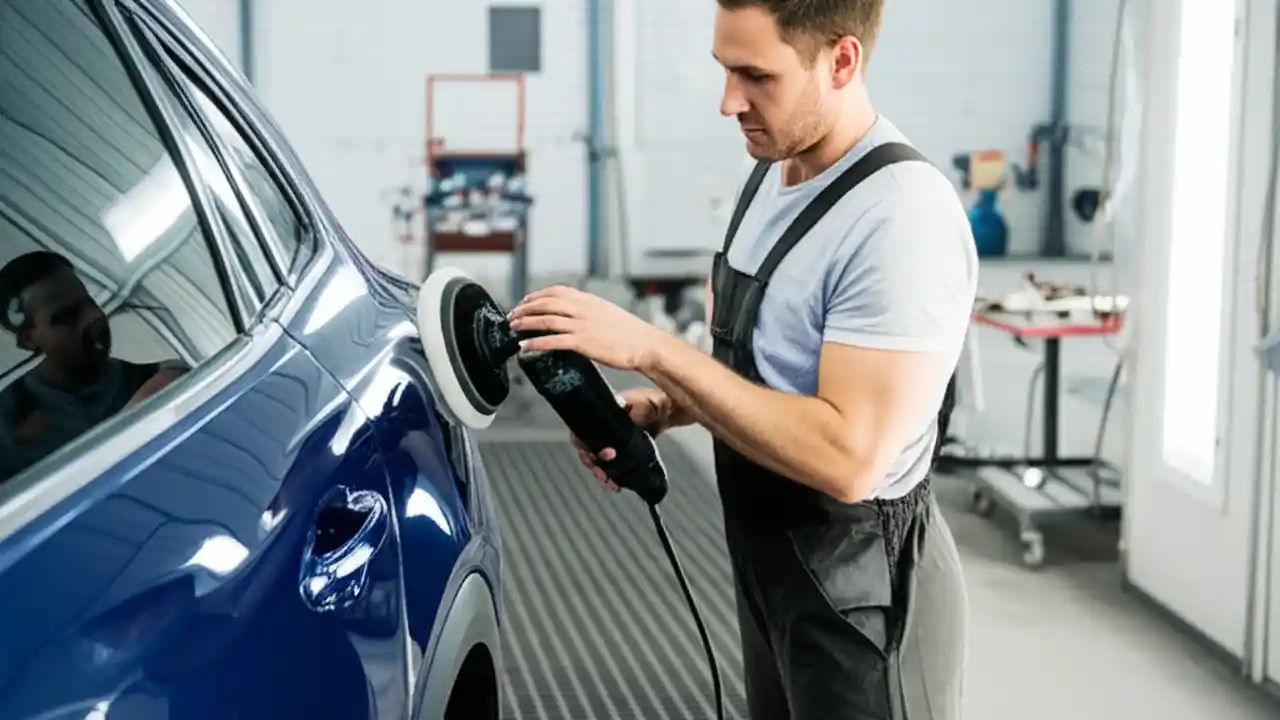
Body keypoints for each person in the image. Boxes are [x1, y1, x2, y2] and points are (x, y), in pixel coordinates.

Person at [509, 0, 976, 717]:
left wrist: (652, 350)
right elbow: (778, 367)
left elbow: (848, 457)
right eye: (726, 69)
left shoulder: (899, 217)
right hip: (773, 569)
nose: (730, 102)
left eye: (757, 76)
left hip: (864, 594)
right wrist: (670, 405)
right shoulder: (773, 173)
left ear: (842, 61)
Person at [0, 251, 189, 482]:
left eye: (89, 303)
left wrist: (170, 377)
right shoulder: (9, 420)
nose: (92, 318)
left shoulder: (149, 380)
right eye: (67, 316)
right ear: (30, 339)